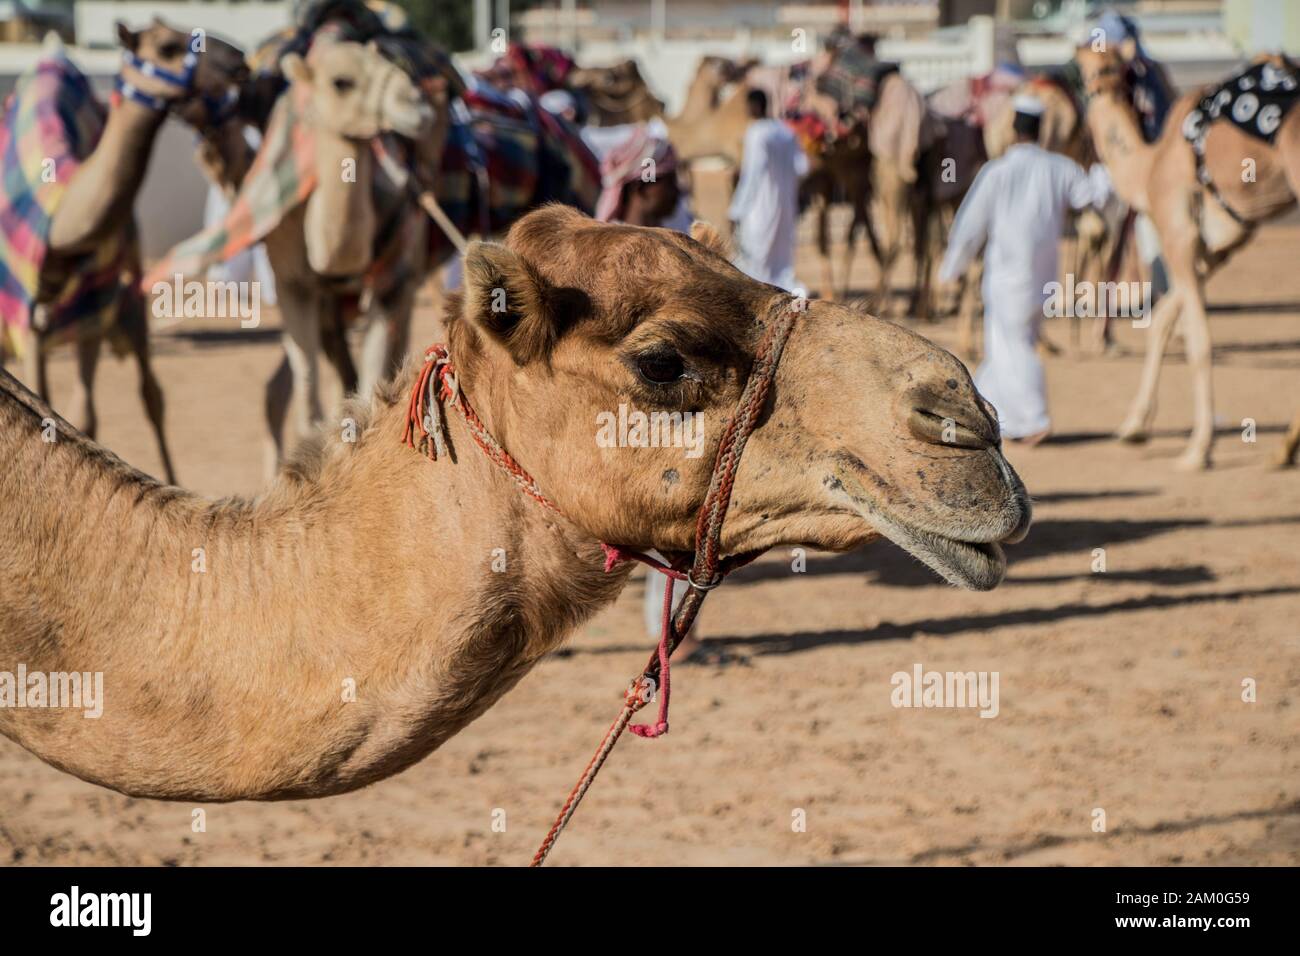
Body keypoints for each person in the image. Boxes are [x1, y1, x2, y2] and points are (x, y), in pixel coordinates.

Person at [938, 96, 1111, 445]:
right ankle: (987, 416)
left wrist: (950, 269)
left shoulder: (997, 171)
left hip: (1006, 277)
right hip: (1045, 279)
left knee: (1013, 344)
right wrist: (1105, 168)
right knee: (1004, 345)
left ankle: (1033, 420)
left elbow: (969, 225)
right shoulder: (1061, 168)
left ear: (1013, 130)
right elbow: (1094, 195)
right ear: (1041, 130)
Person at [728, 89, 808, 292]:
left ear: (754, 106)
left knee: (755, 264)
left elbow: (752, 174)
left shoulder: (757, 133)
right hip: (785, 206)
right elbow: (802, 166)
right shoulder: (786, 131)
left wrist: (736, 210)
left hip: (759, 207)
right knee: (781, 266)